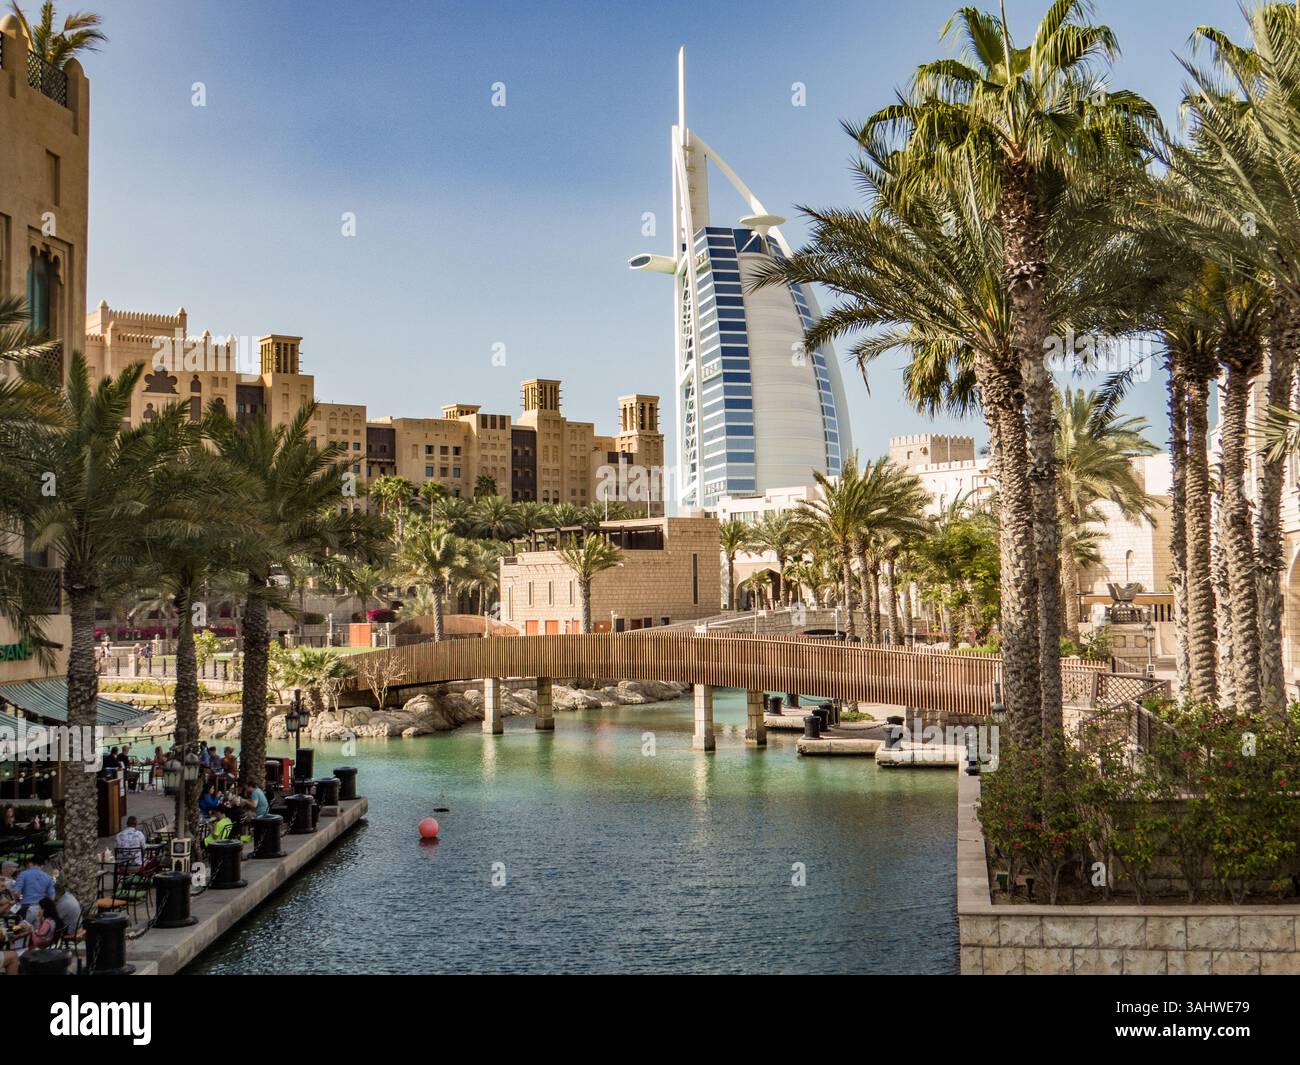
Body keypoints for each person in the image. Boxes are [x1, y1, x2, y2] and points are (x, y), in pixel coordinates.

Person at [13, 857, 53, 922]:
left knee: (24, 930)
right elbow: (51, 896)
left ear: (31, 864)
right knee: (38, 930)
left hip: (26, 907)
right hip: (41, 909)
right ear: (42, 866)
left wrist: (17, 900)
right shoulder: (47, 876)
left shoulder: (23, 874)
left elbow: (16, 892)